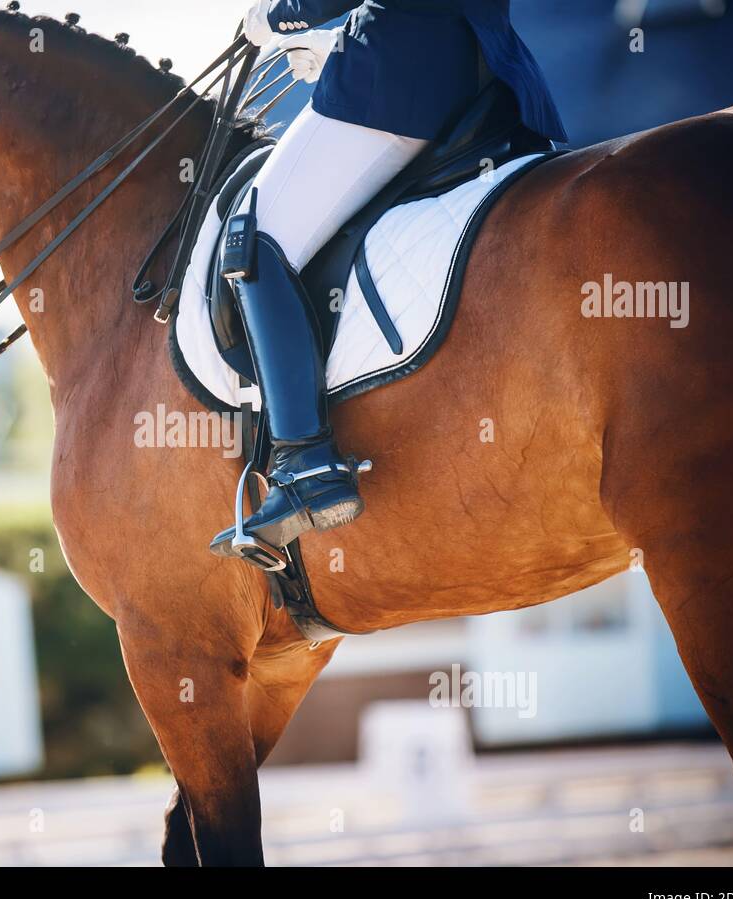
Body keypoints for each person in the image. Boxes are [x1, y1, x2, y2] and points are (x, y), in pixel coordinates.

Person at [210, 0, 565, 561]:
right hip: (484, 72)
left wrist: (286, 14)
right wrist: (341, 42)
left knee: (254, 241)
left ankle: (306, 462)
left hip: (398, 80)